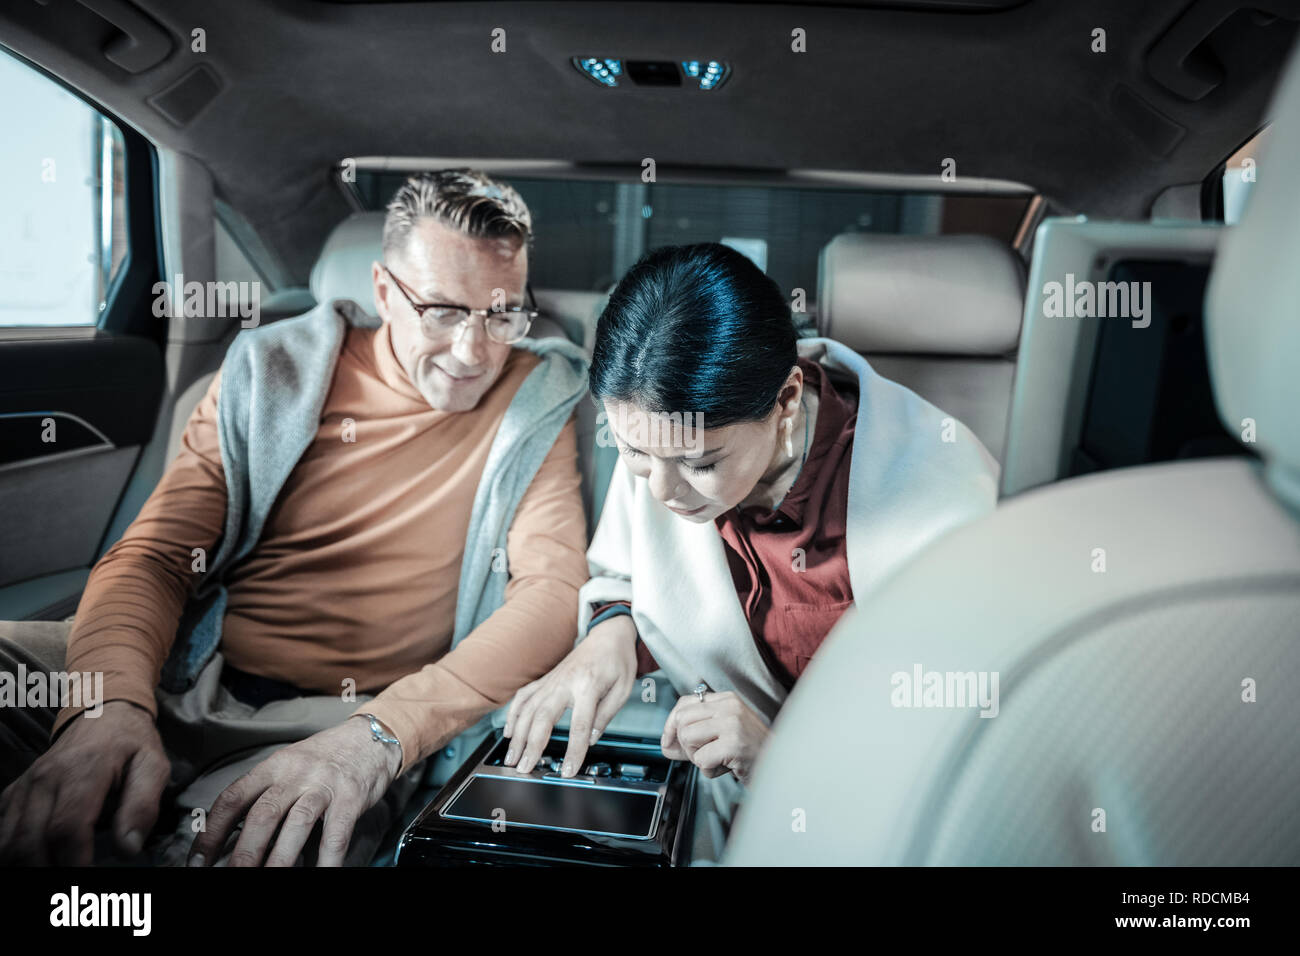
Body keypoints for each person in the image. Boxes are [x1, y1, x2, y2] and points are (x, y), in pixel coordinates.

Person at [0, 170, 590, 866]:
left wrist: (380, 736)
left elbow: (551, 592)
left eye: (500, 313)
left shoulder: (537, 398)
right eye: (442, 311)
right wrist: (108, 704)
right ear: (382, 291)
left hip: (344, 720)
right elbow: (157, 556)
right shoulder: (269, 369)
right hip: (185, 665)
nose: (473, 350)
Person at [504, 242, 998, 839]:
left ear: (786, 401)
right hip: (733, 813)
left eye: (700, 463)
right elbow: (629, 575)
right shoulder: (668, 440)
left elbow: (962, 746)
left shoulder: (943, 491)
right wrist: (611, 634)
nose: (661, 492)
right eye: (633, 451)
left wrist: (777, 759)